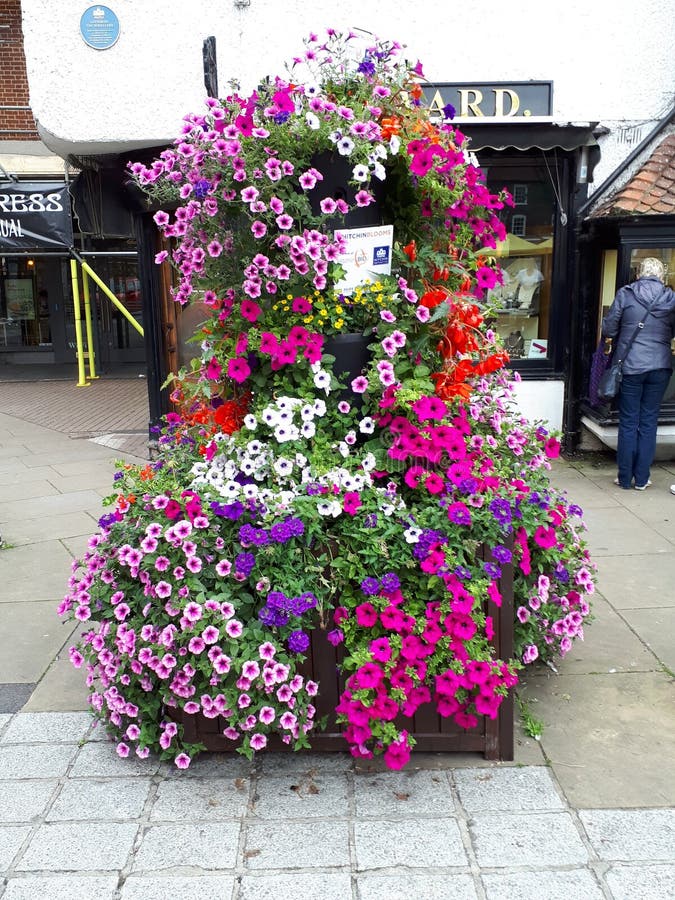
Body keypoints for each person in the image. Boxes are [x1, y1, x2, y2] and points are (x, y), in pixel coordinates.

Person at [601, 257, 675, 490]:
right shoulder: (670, 297)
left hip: (631, 366)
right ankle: (642, 479)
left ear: (638, 274)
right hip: (661, 366)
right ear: (661, 276)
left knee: (629, 421)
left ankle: (624, 479)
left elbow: (609, 328)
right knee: (649, 421)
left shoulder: (626, 293)